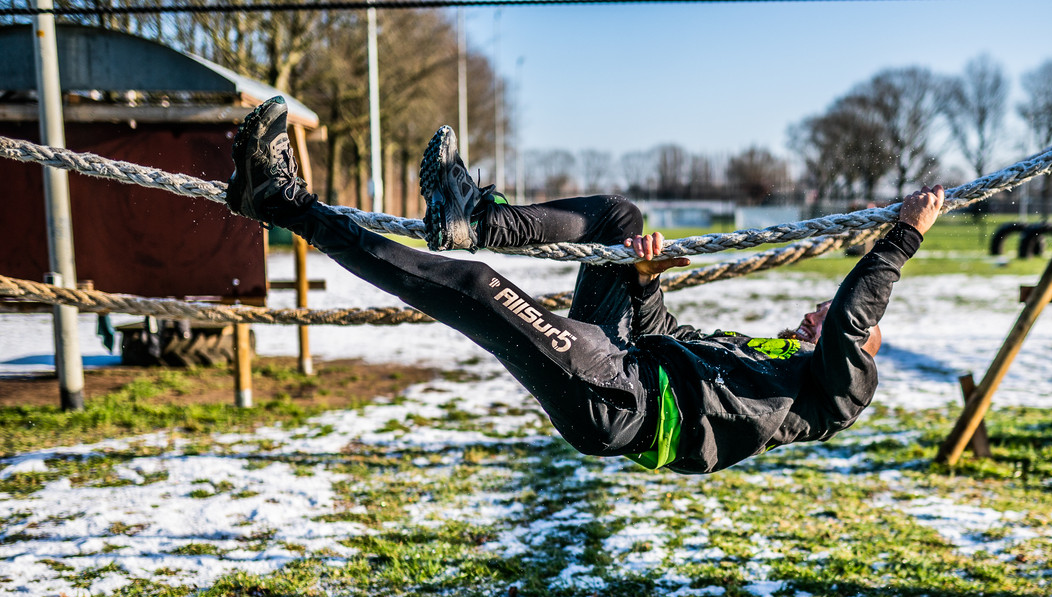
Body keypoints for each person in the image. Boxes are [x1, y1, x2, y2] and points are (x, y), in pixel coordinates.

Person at [226, 98, 943, 474]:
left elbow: (853, 322)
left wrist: (902, 236)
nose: (822, 315)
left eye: (839, 325)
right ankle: (475, 219)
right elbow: (665, 340)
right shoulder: (763, 358)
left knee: (475, 291)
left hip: (619, 401)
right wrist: (642, 275)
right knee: (620, 218)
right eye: (819, 313)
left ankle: (285, 204)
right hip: (629, 356)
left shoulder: (838, 394)